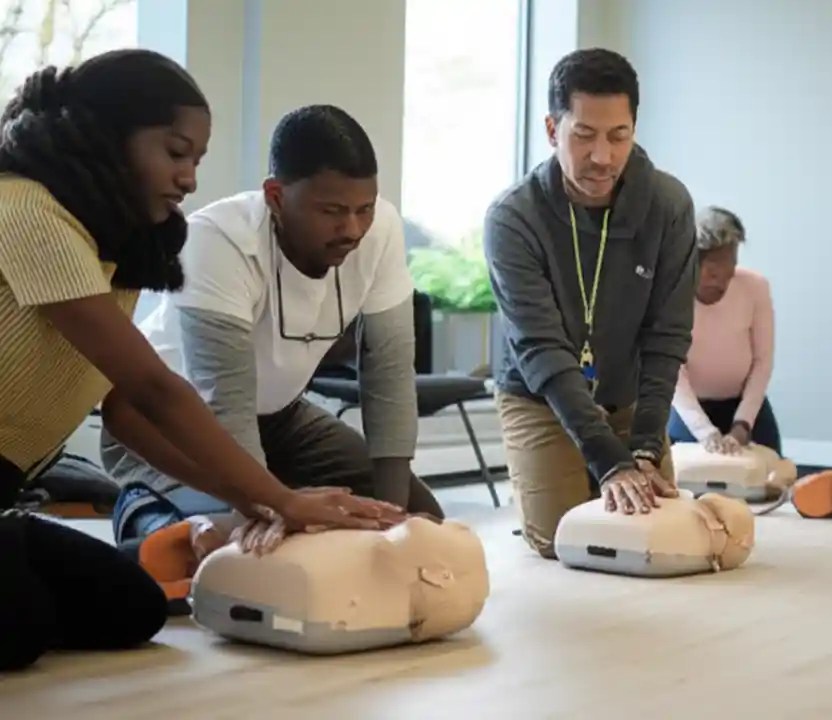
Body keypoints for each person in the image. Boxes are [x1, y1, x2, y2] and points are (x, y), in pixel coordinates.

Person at [0, 51, 397, 673]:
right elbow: (156, 390)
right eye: (176, 152)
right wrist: (280, 501)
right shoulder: (23, 211)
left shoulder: (111, 247)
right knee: (19, 631)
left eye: (197, 161)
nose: (188, 178)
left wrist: (252, 502)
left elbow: (126, 413)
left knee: (131, 610)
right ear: (107, 137)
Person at [104, 104, 442, 559]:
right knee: (240, 546)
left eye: (364, 209)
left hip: (280, 417)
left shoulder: (380, 228)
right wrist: (266, 509)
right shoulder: (215, 239)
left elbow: (390, 372)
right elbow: (227, 403)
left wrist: (394, 521)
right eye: (332, 211)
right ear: (276, 197)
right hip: (175, 423)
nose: (353, 229)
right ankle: (143, 501)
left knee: (424, 520)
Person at [484, 48, 697, 558]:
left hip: (627, 398)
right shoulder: (512, 218)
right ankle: (573, 477)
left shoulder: (668, 205)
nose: (602, 156)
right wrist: (608, 460)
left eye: (618, 136)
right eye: (584, 135)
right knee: (561, 539)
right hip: (541, 400)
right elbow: (541, 350)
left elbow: (667, 338)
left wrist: (644, 448)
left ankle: (609, 467)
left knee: (657, 539)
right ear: (552, 129)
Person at [667, 205, 781, 456]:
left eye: (729, 270)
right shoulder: (668, 295)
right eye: (713, 273)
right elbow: (672, 372)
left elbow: (763, 361)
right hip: (689, 409)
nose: (722, 282)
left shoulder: (755, 287)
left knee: (766, 479)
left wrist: (742, 424)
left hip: (747, 407)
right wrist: (705, 432)